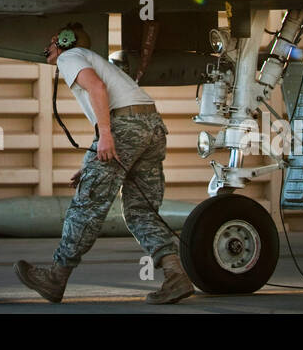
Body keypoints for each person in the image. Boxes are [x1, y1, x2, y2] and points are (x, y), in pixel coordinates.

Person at [13, 24, 193, 304]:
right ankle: (175, 275)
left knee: (87, 205)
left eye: (52, 41)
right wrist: (91, 163)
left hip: (124, 127)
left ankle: (55, 278)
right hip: (151, 125)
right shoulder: (90, 58)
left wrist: (106, 136)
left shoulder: (69, 56)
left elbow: (97, 88)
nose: (48, 47)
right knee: (141, 212)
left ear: (64, 40)